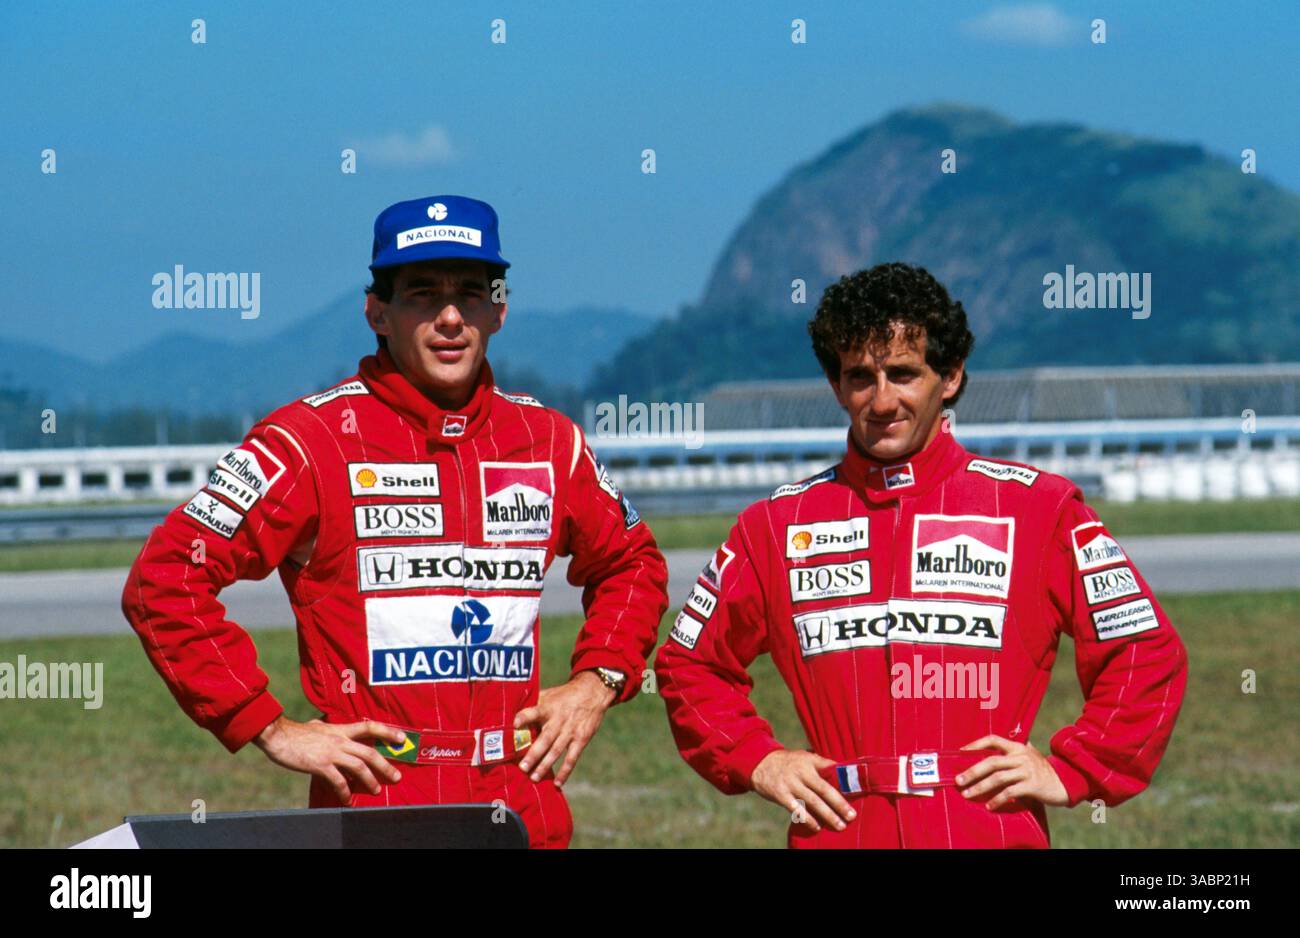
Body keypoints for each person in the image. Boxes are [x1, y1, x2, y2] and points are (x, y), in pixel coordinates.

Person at [122, 195, 668, 849]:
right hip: (375, 804)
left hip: (520, 802)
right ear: (376, 311)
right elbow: (166, 579)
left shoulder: (548, 441)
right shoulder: (309, 441)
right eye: (420, 294)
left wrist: (596, 681)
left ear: (500, 308)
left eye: (470, 294)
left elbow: (633, 563)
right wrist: (267, 726)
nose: (448, 318)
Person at [654, 262, 1187, 848]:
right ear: (836, 386)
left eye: (903, 374)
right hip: (841, 830)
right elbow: (687, 665)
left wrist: (1075, 769)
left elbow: (1144, 651)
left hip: (987, 828)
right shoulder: (775, 526)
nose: (882, 401)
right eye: (860, 377)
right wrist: (758, 759)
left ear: (950, 376)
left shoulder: (1041, 509)